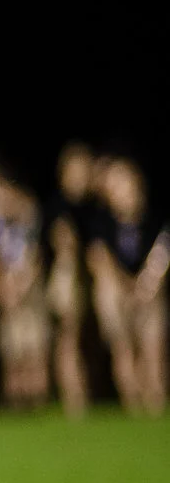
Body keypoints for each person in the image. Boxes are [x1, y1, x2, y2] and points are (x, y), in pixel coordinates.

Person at [89, 156, 168, 415]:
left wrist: (145, 286)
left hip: (149, 290)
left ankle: (155, 397)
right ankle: (131, 401)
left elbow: (161, 255)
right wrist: (126, 289)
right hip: (117, 292)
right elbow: (99, 259)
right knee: (122, 345)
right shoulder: (102, 222)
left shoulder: (154, 219)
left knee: (152, 344)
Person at [0, 171, 51, 410]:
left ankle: (38, 401)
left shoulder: (29, 218)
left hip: (29, 291)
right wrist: (4, 290)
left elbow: (36, 256)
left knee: (35, 347)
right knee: (13, 349)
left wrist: (22, 286)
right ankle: (17, 403)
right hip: (7, 293)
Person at [47, 143, 98, 417]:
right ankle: (73, 398)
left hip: (89, 275)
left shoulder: (93, 206)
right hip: (68, 276)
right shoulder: (60, 206)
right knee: (68, 336)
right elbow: (64, 243)